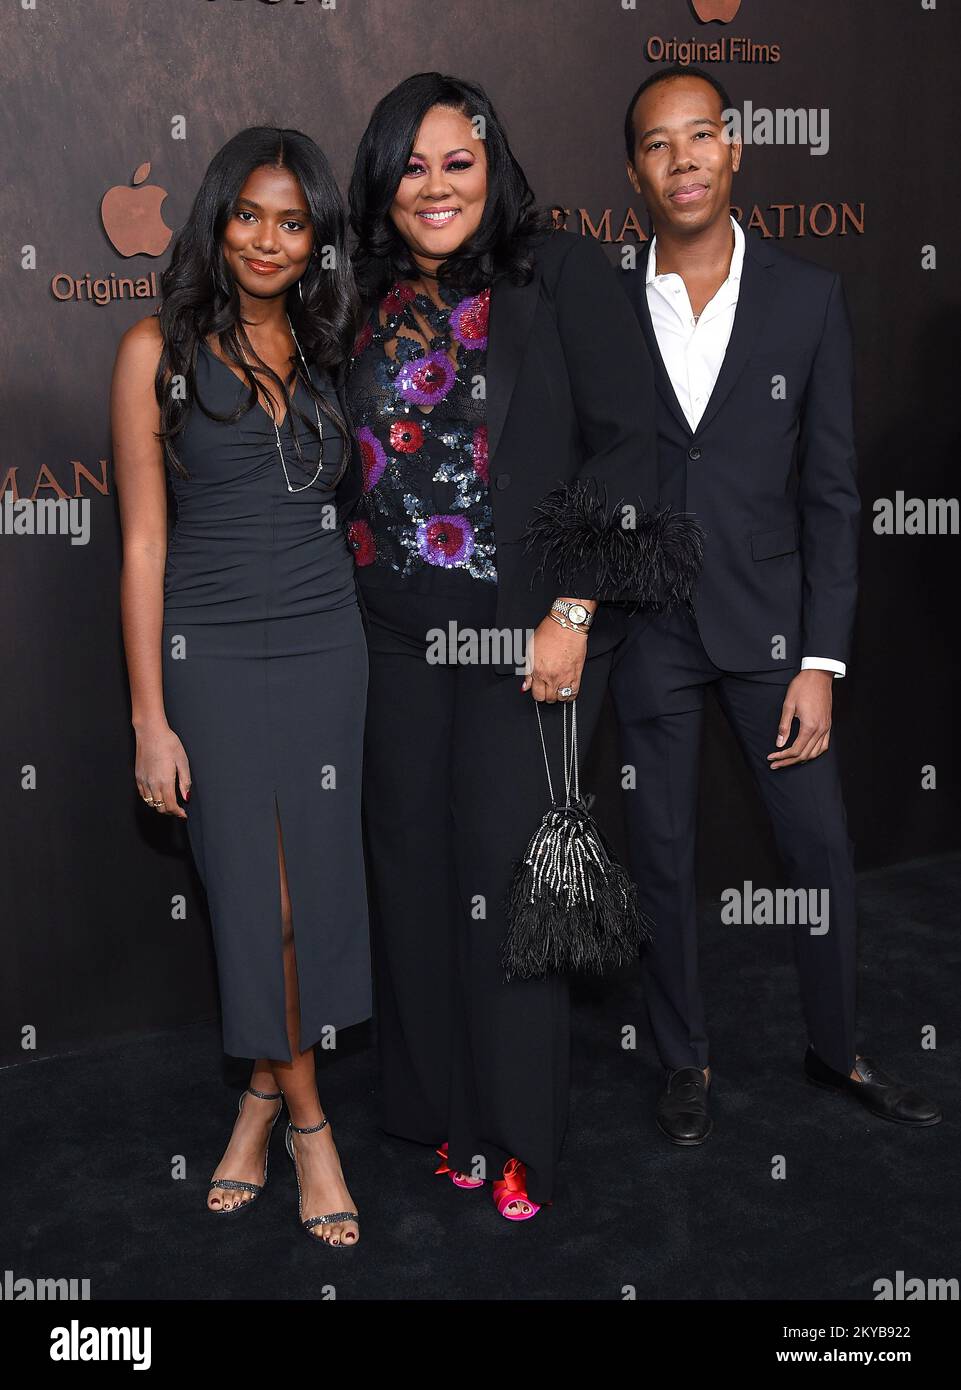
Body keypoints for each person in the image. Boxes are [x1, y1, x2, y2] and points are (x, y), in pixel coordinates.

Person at [345, 72, 701, 1220]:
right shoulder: (360, 293)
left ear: (493, 169)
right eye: (412, 165)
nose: (435, 185)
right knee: (410, 866)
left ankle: (518, 1137)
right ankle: (441, 1112)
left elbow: (631, 449)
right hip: (394, 633)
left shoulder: (561, 274)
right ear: (382, 181)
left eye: (457, 161)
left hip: (527, 630)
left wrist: (576, 610)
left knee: (508, 874)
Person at [613, 66, 941, 1143]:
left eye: (699, 135)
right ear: (633, 171)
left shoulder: (808, 296)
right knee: (659, 848)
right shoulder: (603, 299)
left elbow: (833, 493)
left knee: (818, 849)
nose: (683, 159)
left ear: (734, 148)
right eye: (659, 144)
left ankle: (834, 1046)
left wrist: (821, 659)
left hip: (771, 632)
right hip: (650, 626)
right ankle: (682, 1058)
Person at [112, 127, 371, 1246]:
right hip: (208, 653)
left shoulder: (327, 351)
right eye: (250, 215)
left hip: (327, 645)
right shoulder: (153, 352)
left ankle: (261, 1100)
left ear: (317, 240)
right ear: (217, 220)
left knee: (313, 893)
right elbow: (141, 548)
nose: (269, 239)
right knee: (257, 897)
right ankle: (310, 1123)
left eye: (293, 220)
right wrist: (148, 719)